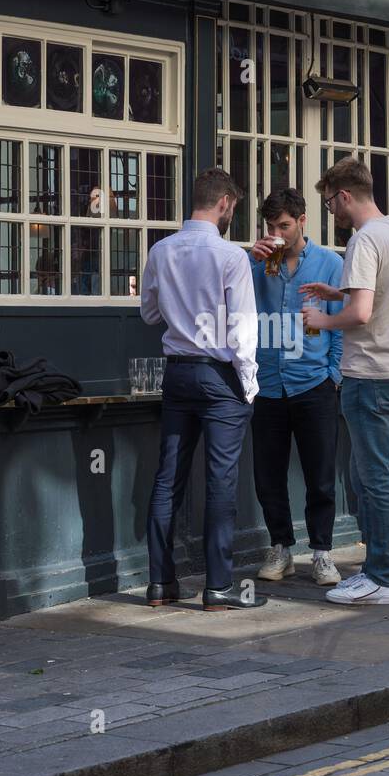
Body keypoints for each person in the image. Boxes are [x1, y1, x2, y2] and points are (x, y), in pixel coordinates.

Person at [300, 158, 389, 606]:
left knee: (374, 477)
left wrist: (323, 318)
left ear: (345, 196)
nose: (331, 210)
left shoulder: (363, 239)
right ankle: (377, 570)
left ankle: (381, 578)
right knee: (369, 472)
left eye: (330, 201)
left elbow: (362, 314)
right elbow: (381, 296)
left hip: (371, 370)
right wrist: (341, 294)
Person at [140, 167, 264, 612]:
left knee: (167, 478)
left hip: (177, 372)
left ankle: (160, 584)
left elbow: (150, 315)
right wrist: (248, 385)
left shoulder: (161, 249)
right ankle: (218, 587)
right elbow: (242, 329)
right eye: (235, 207)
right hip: (219, 375)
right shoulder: (231, 256)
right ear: (225, 203)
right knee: (220, 481)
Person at [245, 187, 345, 587]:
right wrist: (246, 261)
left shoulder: (329, 264)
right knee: (268, 475)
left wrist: (333, 374)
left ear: (303, 221)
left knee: (320, 474)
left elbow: (341, 320)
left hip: (313, 382)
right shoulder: (257, 266)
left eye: (284, 225)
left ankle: (321, 552)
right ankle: (281, 546)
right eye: (271, 226)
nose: (278, 233)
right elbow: (235, 312)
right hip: (267, 383)